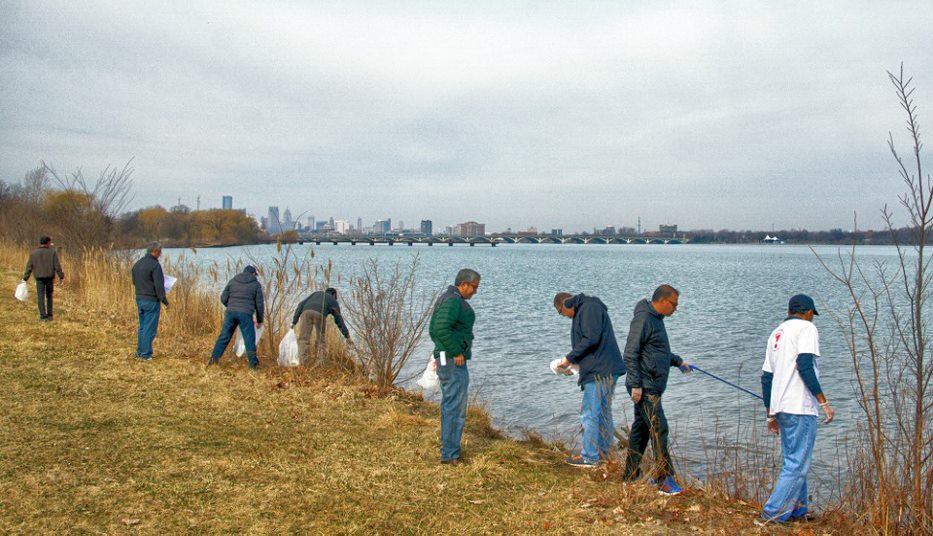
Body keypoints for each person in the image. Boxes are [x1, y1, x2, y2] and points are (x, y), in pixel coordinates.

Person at [759, 294, 835, 524]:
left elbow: (766, 377)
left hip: (782, 407)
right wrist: (823, 401)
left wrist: (770, 413)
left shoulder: (777, 333)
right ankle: (772, 514)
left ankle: (798, 509)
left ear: (789, 309)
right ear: (809, 313)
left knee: (793, 461)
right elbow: (805, 366)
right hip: (801, 406)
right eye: (812, 315)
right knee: (798, 464)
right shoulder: (807, 329)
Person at [621, 284, 692, 495]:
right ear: (663, 301)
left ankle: (630, 475)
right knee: (659, 429)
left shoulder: (656, 320)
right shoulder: (643, 318)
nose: (675, 309)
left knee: (641, 431)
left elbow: (657, 351)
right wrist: (635, 384)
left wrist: (678, 361)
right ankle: (663, 480)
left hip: (650, 385)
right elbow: (630, 352)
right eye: (674, 305)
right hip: (645, 387)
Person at [554, 292, 627, 468]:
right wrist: (576, 365)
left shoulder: (588, 308)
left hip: (600, 371)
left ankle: (590, 457)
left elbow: (590, 339)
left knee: (590, 413)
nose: (564, 316)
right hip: (604, 368)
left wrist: (568, 359)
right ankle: (602, 453)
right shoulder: (589, 308)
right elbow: (594, 343)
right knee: (602, 412)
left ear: (564, 305)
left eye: (561, 312)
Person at [429, 268, 480, 465]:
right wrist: (456, 351)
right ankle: (450, 454)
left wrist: (444, 350)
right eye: (474, 287)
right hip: (452, 360)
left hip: (446, 357)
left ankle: (450, 450)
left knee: (450, 404)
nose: (475, 291)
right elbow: (439, 328)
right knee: (455, 407)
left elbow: (436, 329)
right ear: (463, 284)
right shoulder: (453, 301)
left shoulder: (450, 299)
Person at [208, 266, 265, 369]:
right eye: (255, 274)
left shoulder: (233, 280)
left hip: (230, 313)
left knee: (224, 336)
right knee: (249, 339)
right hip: (246, 314)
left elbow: (223, 298)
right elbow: (259, 304)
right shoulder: (256, 285)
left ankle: (213, 360)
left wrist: (231, 306)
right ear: (253, 274)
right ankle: (253, 365)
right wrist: (260, 320)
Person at [290, 288, 350, 364]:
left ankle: (303, 363)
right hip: (320, 314)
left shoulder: (316, 293)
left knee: (304, 339)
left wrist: (294, 321)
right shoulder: (333, 300)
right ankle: (319, 364)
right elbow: (339, 320)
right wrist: (346, 335)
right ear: (334, 294)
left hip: (306, 312)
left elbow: (300, 305)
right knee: (320, 340)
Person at [131, 242, 168, 359]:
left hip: (139, 298)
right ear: (155, 251)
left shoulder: (137, 264)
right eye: (160, 252)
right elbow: (159, 286)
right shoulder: (155, 265)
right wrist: (165, 301)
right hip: (151, 300)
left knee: (142, 326)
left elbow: (134, 281)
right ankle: (146, 354)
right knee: (149, 328)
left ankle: (140, 351)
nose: (160, 255)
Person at [22, 235, 64, 321]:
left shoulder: (33, 253)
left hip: (39, 278)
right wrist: (61, 276)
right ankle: (50, 315)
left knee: (40, 296)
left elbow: (29, 266)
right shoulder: (52, 253)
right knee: (49, 296)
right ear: (48, 242)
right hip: (49, 277)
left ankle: (42, 316)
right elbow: (57, 266)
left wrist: (25, 278)